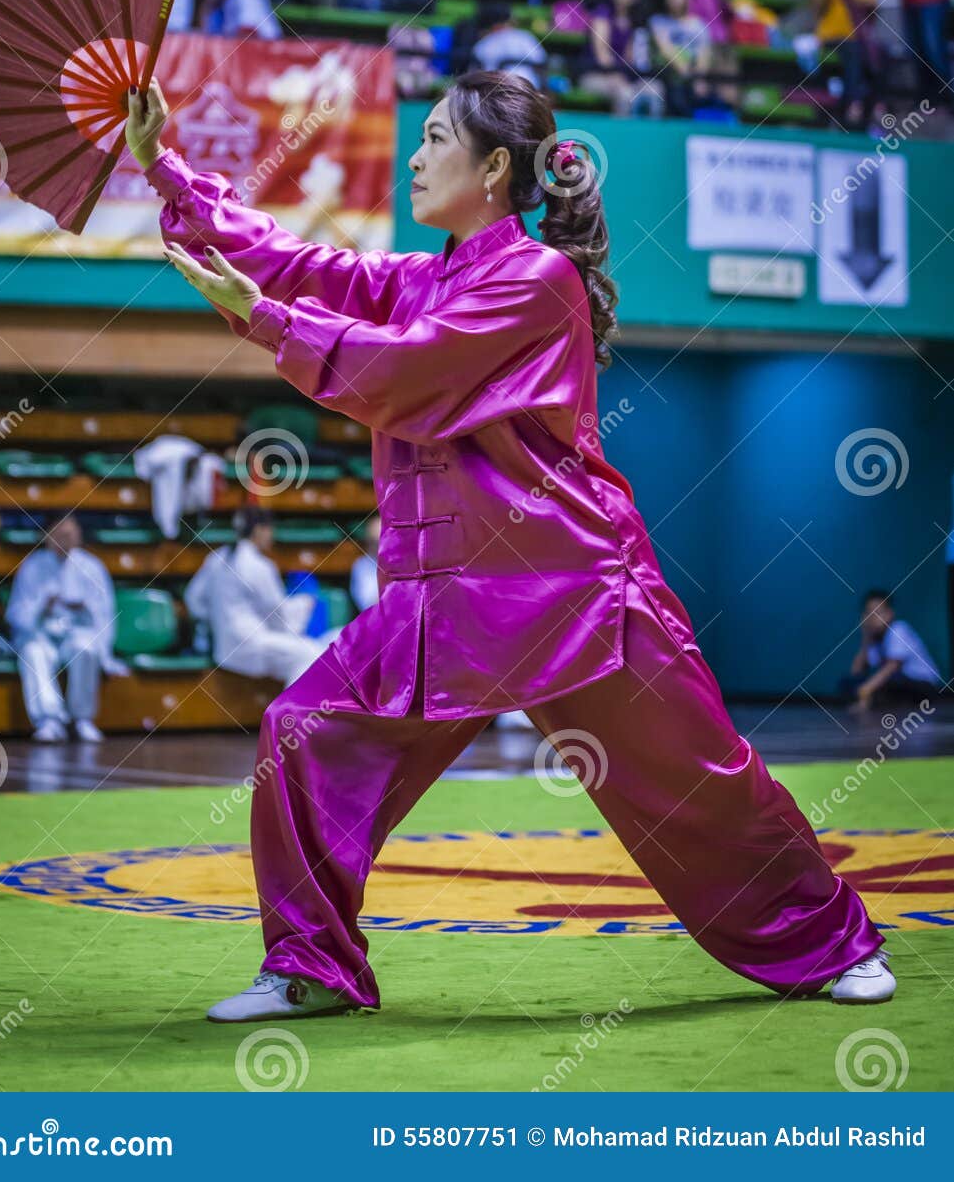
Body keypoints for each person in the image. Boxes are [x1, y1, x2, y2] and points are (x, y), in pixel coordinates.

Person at [125, 69, 896, 1021]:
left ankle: (834, 944)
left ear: (494, 168)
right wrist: (165, 168)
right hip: (441, 596)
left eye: (435, 139)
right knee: (304, 733)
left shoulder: (538, 280)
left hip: (573, 590)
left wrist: (265, 318)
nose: (414, 157)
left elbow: (408, 371)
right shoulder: (420, 280)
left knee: (699, 783)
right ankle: (311, 968)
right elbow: (296, 261)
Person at [5, 516, 129, 743]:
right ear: (47, 537)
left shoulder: (92, 566)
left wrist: (85, 609)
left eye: (69, 535)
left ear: (78, 536)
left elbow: (105, 613)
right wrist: (42, 606)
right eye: (58, 535)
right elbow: (17, 615)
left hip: (77, 632)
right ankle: (49, 720)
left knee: (87, 649)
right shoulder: (32, 566)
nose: (64, 541)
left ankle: (82, 719)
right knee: (33, 653)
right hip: (41, 633)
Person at [183, 507, 330, 684]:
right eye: (269, 529)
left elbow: (193, 599)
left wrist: (216, 621)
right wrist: (303, 606)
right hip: (250, 647)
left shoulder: (216, 557)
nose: (271, 535)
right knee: (315, 655)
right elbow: (278, 618)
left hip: (222, 649)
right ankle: (291, 703)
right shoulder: (259, 565)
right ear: (259, 530)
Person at [808, 0, 880, 128]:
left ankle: (859, 105)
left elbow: (871, 2)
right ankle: (844, 107)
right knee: (848, 53)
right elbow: (817, 8)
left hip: (855, 37)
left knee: (869, 56)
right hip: (828, 38)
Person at [840, 589, 942, 711]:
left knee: (889, 681)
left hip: (923, 684)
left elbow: (892, 667)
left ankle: (879, 701)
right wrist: (866, 637)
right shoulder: (875, 639)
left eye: (878, 613)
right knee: (848, 683)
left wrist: (865, 690)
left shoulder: (898, 629)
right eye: (869, 613)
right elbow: (856, 672)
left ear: (890, 614)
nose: (873, 618)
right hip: (896, 682)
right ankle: (882, 701)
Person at [584, 0, 661, 114]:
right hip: (597, 75)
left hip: (626, 77)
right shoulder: (602, 15)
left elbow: (634, 59)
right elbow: (603, 57)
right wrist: (621, 75)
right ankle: (622, 129)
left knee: (655, 89)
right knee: (625, 93)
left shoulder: (638, 20)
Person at [648, 0, 714, 116]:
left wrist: (699, 78)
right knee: (676, 95)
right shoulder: (657, 21)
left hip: (693, 80)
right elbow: (666, 50)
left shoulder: (699, 25)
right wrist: (688, 75)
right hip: (668, 80)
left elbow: (704, 55)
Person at [470, 2, 547, 86]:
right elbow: (540, 61)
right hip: (529, 87)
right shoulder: (525, 36)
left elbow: (478, 73)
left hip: (496, 90)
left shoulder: (483, 44)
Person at [349, 516, 380, 614]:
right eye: (375, 541)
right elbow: (370, 606)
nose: (380, 545)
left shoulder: (409, 561)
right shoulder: (361, 566)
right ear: (368, 542)